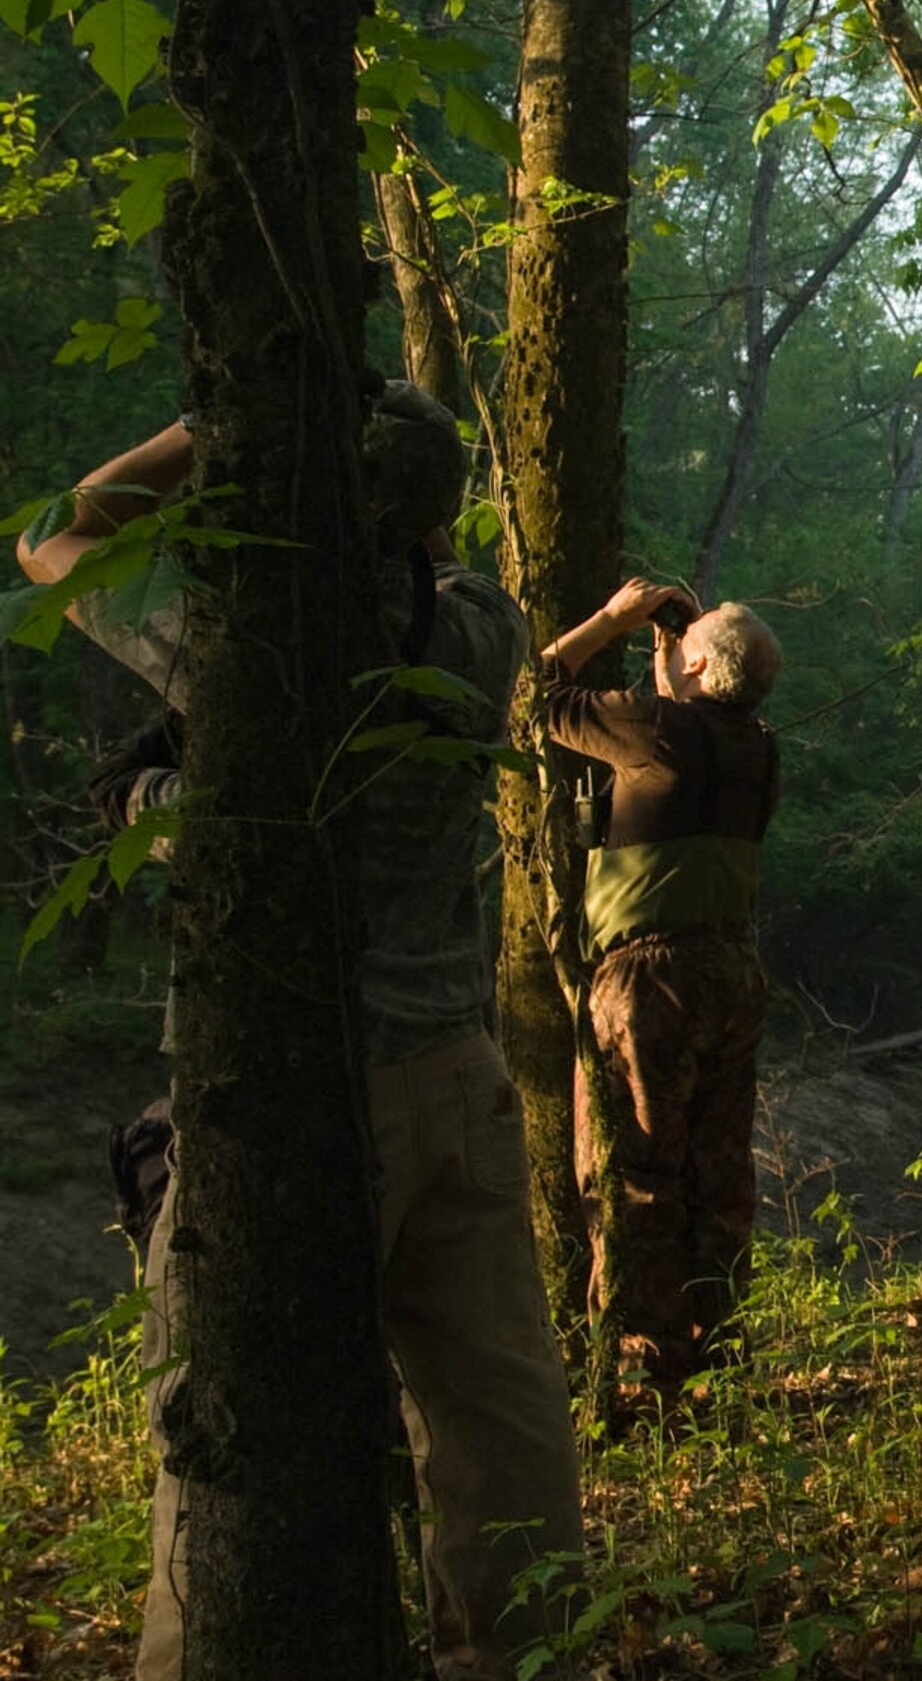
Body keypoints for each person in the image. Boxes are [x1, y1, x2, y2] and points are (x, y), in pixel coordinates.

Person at [15, 387, 583, 1680]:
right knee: (499, 1417)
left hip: (308, 1100)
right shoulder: (484, 628)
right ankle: (527, 1654)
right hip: (457, 1073)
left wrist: (207, 423)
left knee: (228, 1437)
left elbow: (57, 539)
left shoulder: (257, 642)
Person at [538, 579, 784, 1415]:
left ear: (702, 664)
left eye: (685, 643)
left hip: (647, 982)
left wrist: (612, 616)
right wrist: (670, 655)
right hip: (733, 974)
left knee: (633, 1171)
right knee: (716, 1174)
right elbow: (689, 733)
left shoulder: (655, 731)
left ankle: (639, 1378)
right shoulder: (758, 748)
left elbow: (532, 692)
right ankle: (718, 1365)